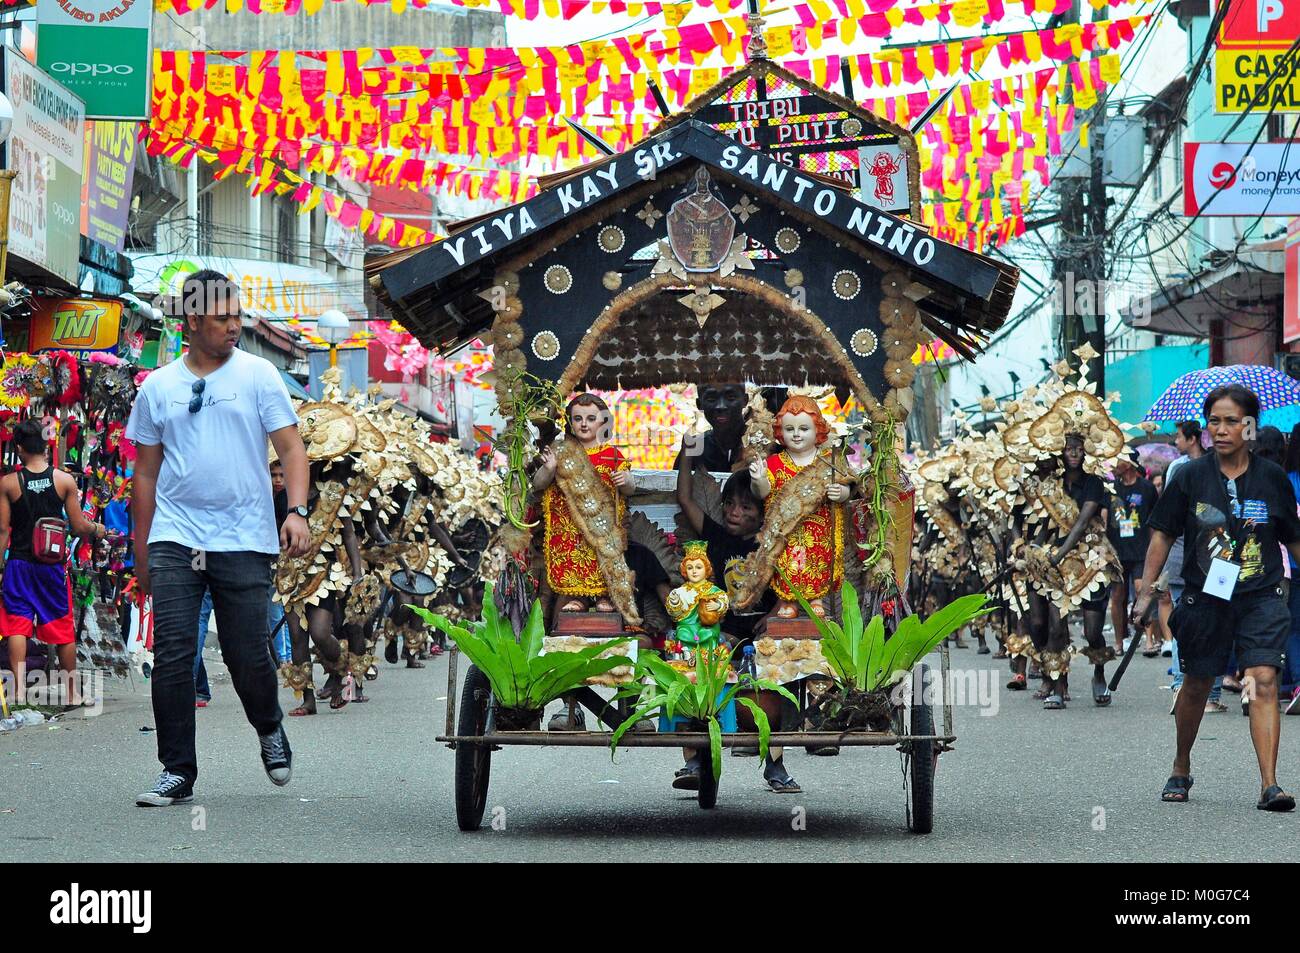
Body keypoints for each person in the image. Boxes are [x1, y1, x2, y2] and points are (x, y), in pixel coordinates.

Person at [125, 270, 311, 807]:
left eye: (237, 314)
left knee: (246, 654)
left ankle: (269, 726)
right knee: (175, 654)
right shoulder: (157, 387)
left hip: (244, 536)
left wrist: (295, 510)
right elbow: (145, 475)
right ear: (192, 322)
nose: (235, 325)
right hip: (176, 537)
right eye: (223, 317)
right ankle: (176, 770)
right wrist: (143, 551)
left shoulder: (259, 375)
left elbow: (292, 450)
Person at [1133, 384, 1299, 811]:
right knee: (1196, 684)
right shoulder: (1189, 476)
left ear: (1249, 426)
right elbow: (1163, 534)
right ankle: (1181, 765)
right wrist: (1145, 591)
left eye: (1230, 421)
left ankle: (1270, 785)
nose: (1220, 430)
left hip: (1261, 594)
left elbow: (1293, 539)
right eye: (1214, 422)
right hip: (1205, 598)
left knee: (1263, 679)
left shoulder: (1272, 478)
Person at [676, 446, 799, 793]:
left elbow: (792, 586)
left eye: (746, 507)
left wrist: (774, 616)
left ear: (764, 513)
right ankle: (694, 761)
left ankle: (775, 766)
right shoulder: (716, 537)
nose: (734, 512)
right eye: (729, 504)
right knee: (695, 678)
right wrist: (688, 452)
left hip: (764, 632)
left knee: (774, 693)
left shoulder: (773, 544)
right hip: (723, 630)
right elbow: (685, 498)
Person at [0, 419, 109, 706]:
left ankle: (19, 692)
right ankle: (72, 693)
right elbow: (78, 525)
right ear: (46, 445)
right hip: (51, 566)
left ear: (20, 448)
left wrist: (1, 567)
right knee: (61, 628)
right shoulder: (64, 480)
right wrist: (98, 529)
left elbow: (2, 531)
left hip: (19, 565)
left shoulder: (9, 484)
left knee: (17, 625)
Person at [1108, 450, 1159, 656]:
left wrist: (1155, 548)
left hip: (1141, 549)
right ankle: (1119, 642)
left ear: (1128, 463)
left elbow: (1155, 521)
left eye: (1117, 460)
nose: (1113, 465)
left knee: (1141, 591)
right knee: (1117, 595)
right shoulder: (1111, 488)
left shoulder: (1146, 488)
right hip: (1117, 551)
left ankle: (1148, 639)